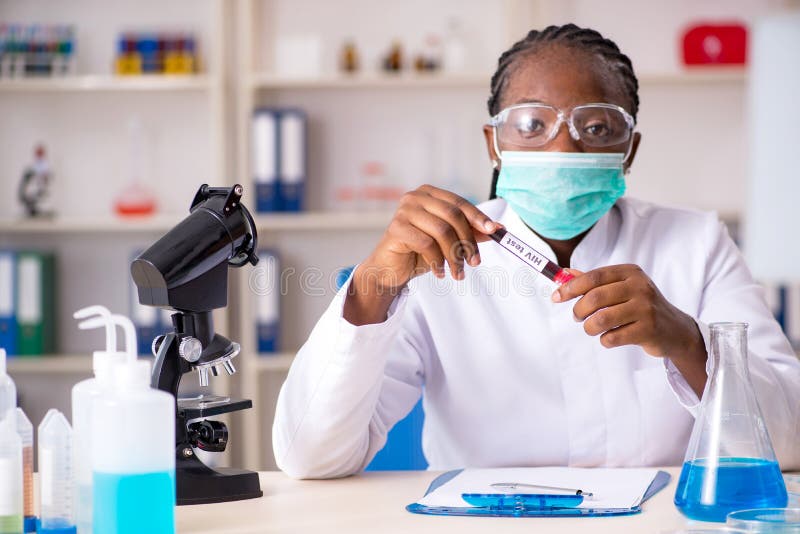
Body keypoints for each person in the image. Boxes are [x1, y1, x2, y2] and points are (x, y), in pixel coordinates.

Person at [273, 24, 800, 479]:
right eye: (532, 125)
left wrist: (688, 342)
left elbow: (791, 439)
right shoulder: (437, 256)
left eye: (595, 127)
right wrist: (372, 289)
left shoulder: (697, 244)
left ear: (628, 148)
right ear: (494, 145)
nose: (563, 148)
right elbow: (310, 457)